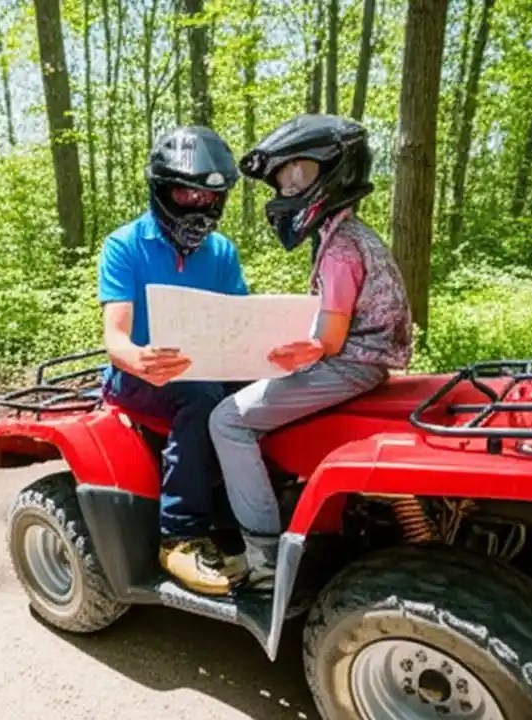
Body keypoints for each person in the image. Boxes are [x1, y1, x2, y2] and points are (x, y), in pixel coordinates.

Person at [209, 115, 414, 591]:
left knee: (227, 419)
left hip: (351, 364)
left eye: (294, 173)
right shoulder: (347, 234)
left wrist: (301, 348)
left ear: (329, 171)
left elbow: (332, 340)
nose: (286, 187)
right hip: (366, 359)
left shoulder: (340, 248)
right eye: (282, 178)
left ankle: (262, 556)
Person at [98, 126, 250, 595]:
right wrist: (140, 359)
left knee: (261, 396)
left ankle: (251, 518)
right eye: (187, 193)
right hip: (138, 375)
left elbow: (240, 322)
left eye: (209, 197)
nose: (198, 205)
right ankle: (179, 536)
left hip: (204, 368)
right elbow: (115, 340)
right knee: (201, 397)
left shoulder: (222, 252)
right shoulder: (124, 245)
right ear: (162, 190)